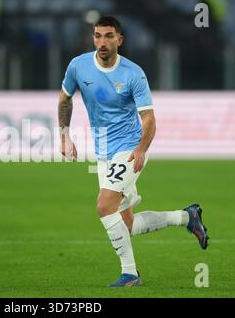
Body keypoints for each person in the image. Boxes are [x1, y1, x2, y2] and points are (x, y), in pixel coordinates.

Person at [57, 16, 209, 287]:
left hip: (129, 149)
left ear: (120, 40)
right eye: (97, 35)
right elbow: (65, 98)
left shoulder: (132, 73)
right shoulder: (78, 66)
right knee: (125, 225)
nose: (102, 42)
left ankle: (130, 274)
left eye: (108, 36)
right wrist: (65, 135)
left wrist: (141, 149)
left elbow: (149, 119)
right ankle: (187, 217)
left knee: (104, 206)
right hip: (103, 152)